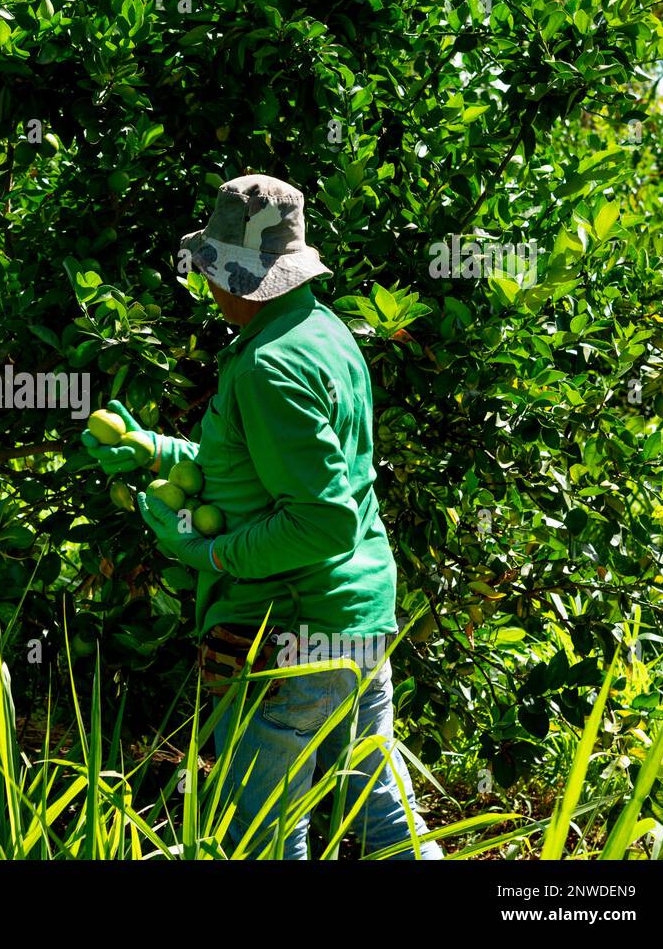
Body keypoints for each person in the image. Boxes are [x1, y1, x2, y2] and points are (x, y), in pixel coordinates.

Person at [82, 175, 442, 860]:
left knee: (263, 834)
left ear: (243, 276)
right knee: (381, 816)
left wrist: (211, 556)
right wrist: (153, 448)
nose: (208, 286)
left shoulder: (267, 367)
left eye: (215, 270)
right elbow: (261, 467)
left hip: (288, 629)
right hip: (355, 617)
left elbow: (321, 521)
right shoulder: (321, 332)